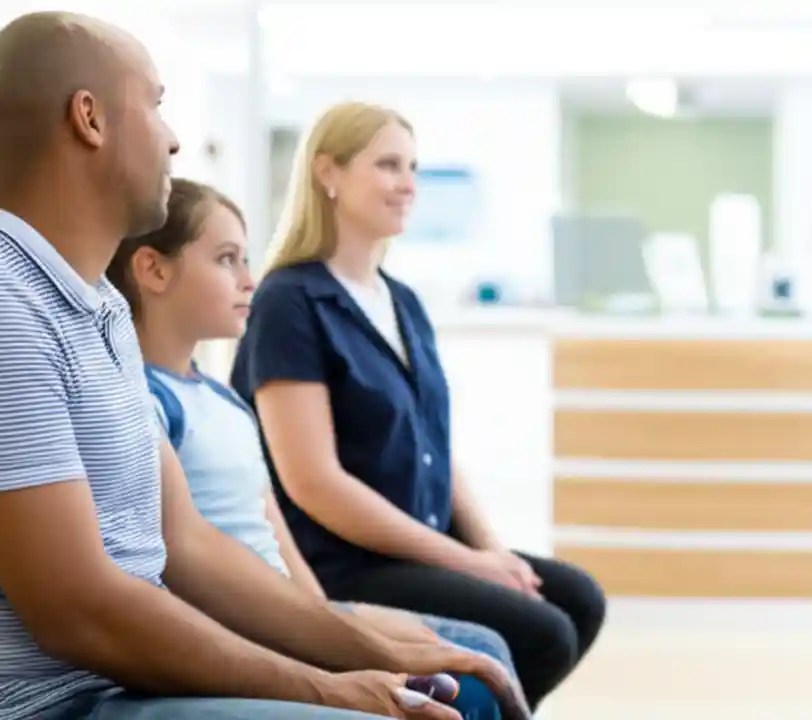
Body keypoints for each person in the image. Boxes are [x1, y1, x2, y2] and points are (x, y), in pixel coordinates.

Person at [0, 12, 518, 720]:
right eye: (154, 104)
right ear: (88, 118)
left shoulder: (99, 306)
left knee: (469, 692)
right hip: (56, 703)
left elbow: (186, 543)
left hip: (120, 683)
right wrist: (329, 686)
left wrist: (373, 649)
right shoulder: (10, 309)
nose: (175, 136)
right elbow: (77, 610)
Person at [105, 178, 530, 720]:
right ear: (153, 269)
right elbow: (178, 563)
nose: (249, 280)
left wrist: (334, 616)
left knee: (484, 648)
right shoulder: (148, 401)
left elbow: (271, 527)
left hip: (287, 607)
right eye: (226, 260)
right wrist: (338, 647)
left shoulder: (225, 401)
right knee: (466, 689)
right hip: (237, 625)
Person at [230, 101, 607, 710]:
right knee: (543, 632)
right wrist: (465, 563)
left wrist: (490, 553)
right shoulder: (289, 302)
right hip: (343, 562)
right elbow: (314, 484)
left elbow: (437, 447)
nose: (409, 184)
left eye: (412, 167)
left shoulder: (402, 301)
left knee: (577, 599)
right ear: (328, 172)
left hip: (419, 544)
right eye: (387, 165)